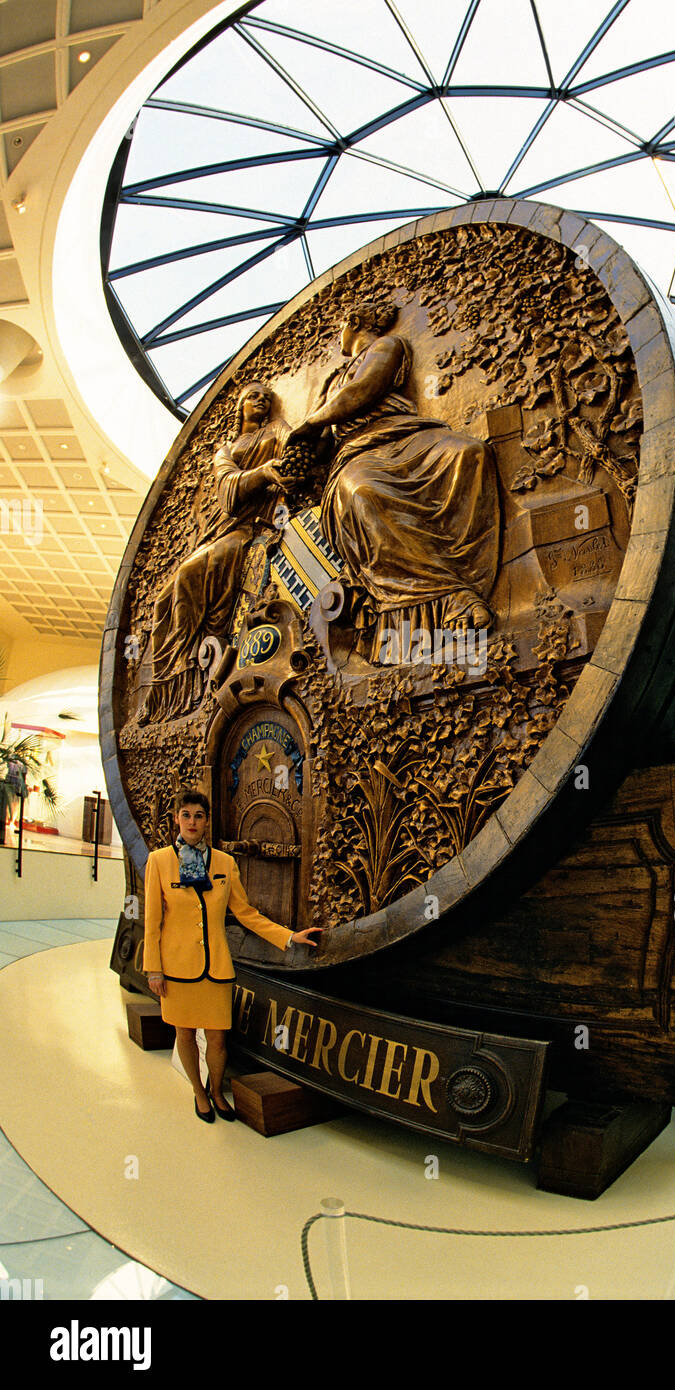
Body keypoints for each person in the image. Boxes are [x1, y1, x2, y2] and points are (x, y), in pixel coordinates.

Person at [289, 301, 501, 661]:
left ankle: (465, 577)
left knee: (470, 452)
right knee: (363, 492)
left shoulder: (387, 347)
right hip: (358, 455)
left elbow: (363, 390)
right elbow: (326, 438)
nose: (338, 337)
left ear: (353, 322)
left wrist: (310, 423)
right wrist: (302, 454)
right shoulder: (330, 382)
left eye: (341, 327)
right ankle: (451, 596)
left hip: (402, 437)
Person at [143, 788, 322, 1122]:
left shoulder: (225, 863)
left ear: (207, 821)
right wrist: (154, 969)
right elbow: (152, 921)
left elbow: (246, 914)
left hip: (216, 969)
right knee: (184, 1033)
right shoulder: (159, 861)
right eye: (186, 815)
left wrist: (289, 936)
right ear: (176, 819)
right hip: (176, 968)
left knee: (217, 1039)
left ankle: (216, 1092)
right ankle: (199, 1093)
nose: (192, 822)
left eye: (198, 816)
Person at [142, 381, 292, 722]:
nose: (261, 401)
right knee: (167, 594)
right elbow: (228, 488)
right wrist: (263, 472)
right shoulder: (225, 449)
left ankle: (191, 672)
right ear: (240, 406)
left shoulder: (276, 429)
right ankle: (174, 678)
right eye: (253, 396)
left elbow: (294, 443)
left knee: (188, 575)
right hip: (224, 525)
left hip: (251, 526)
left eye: (267, 398)